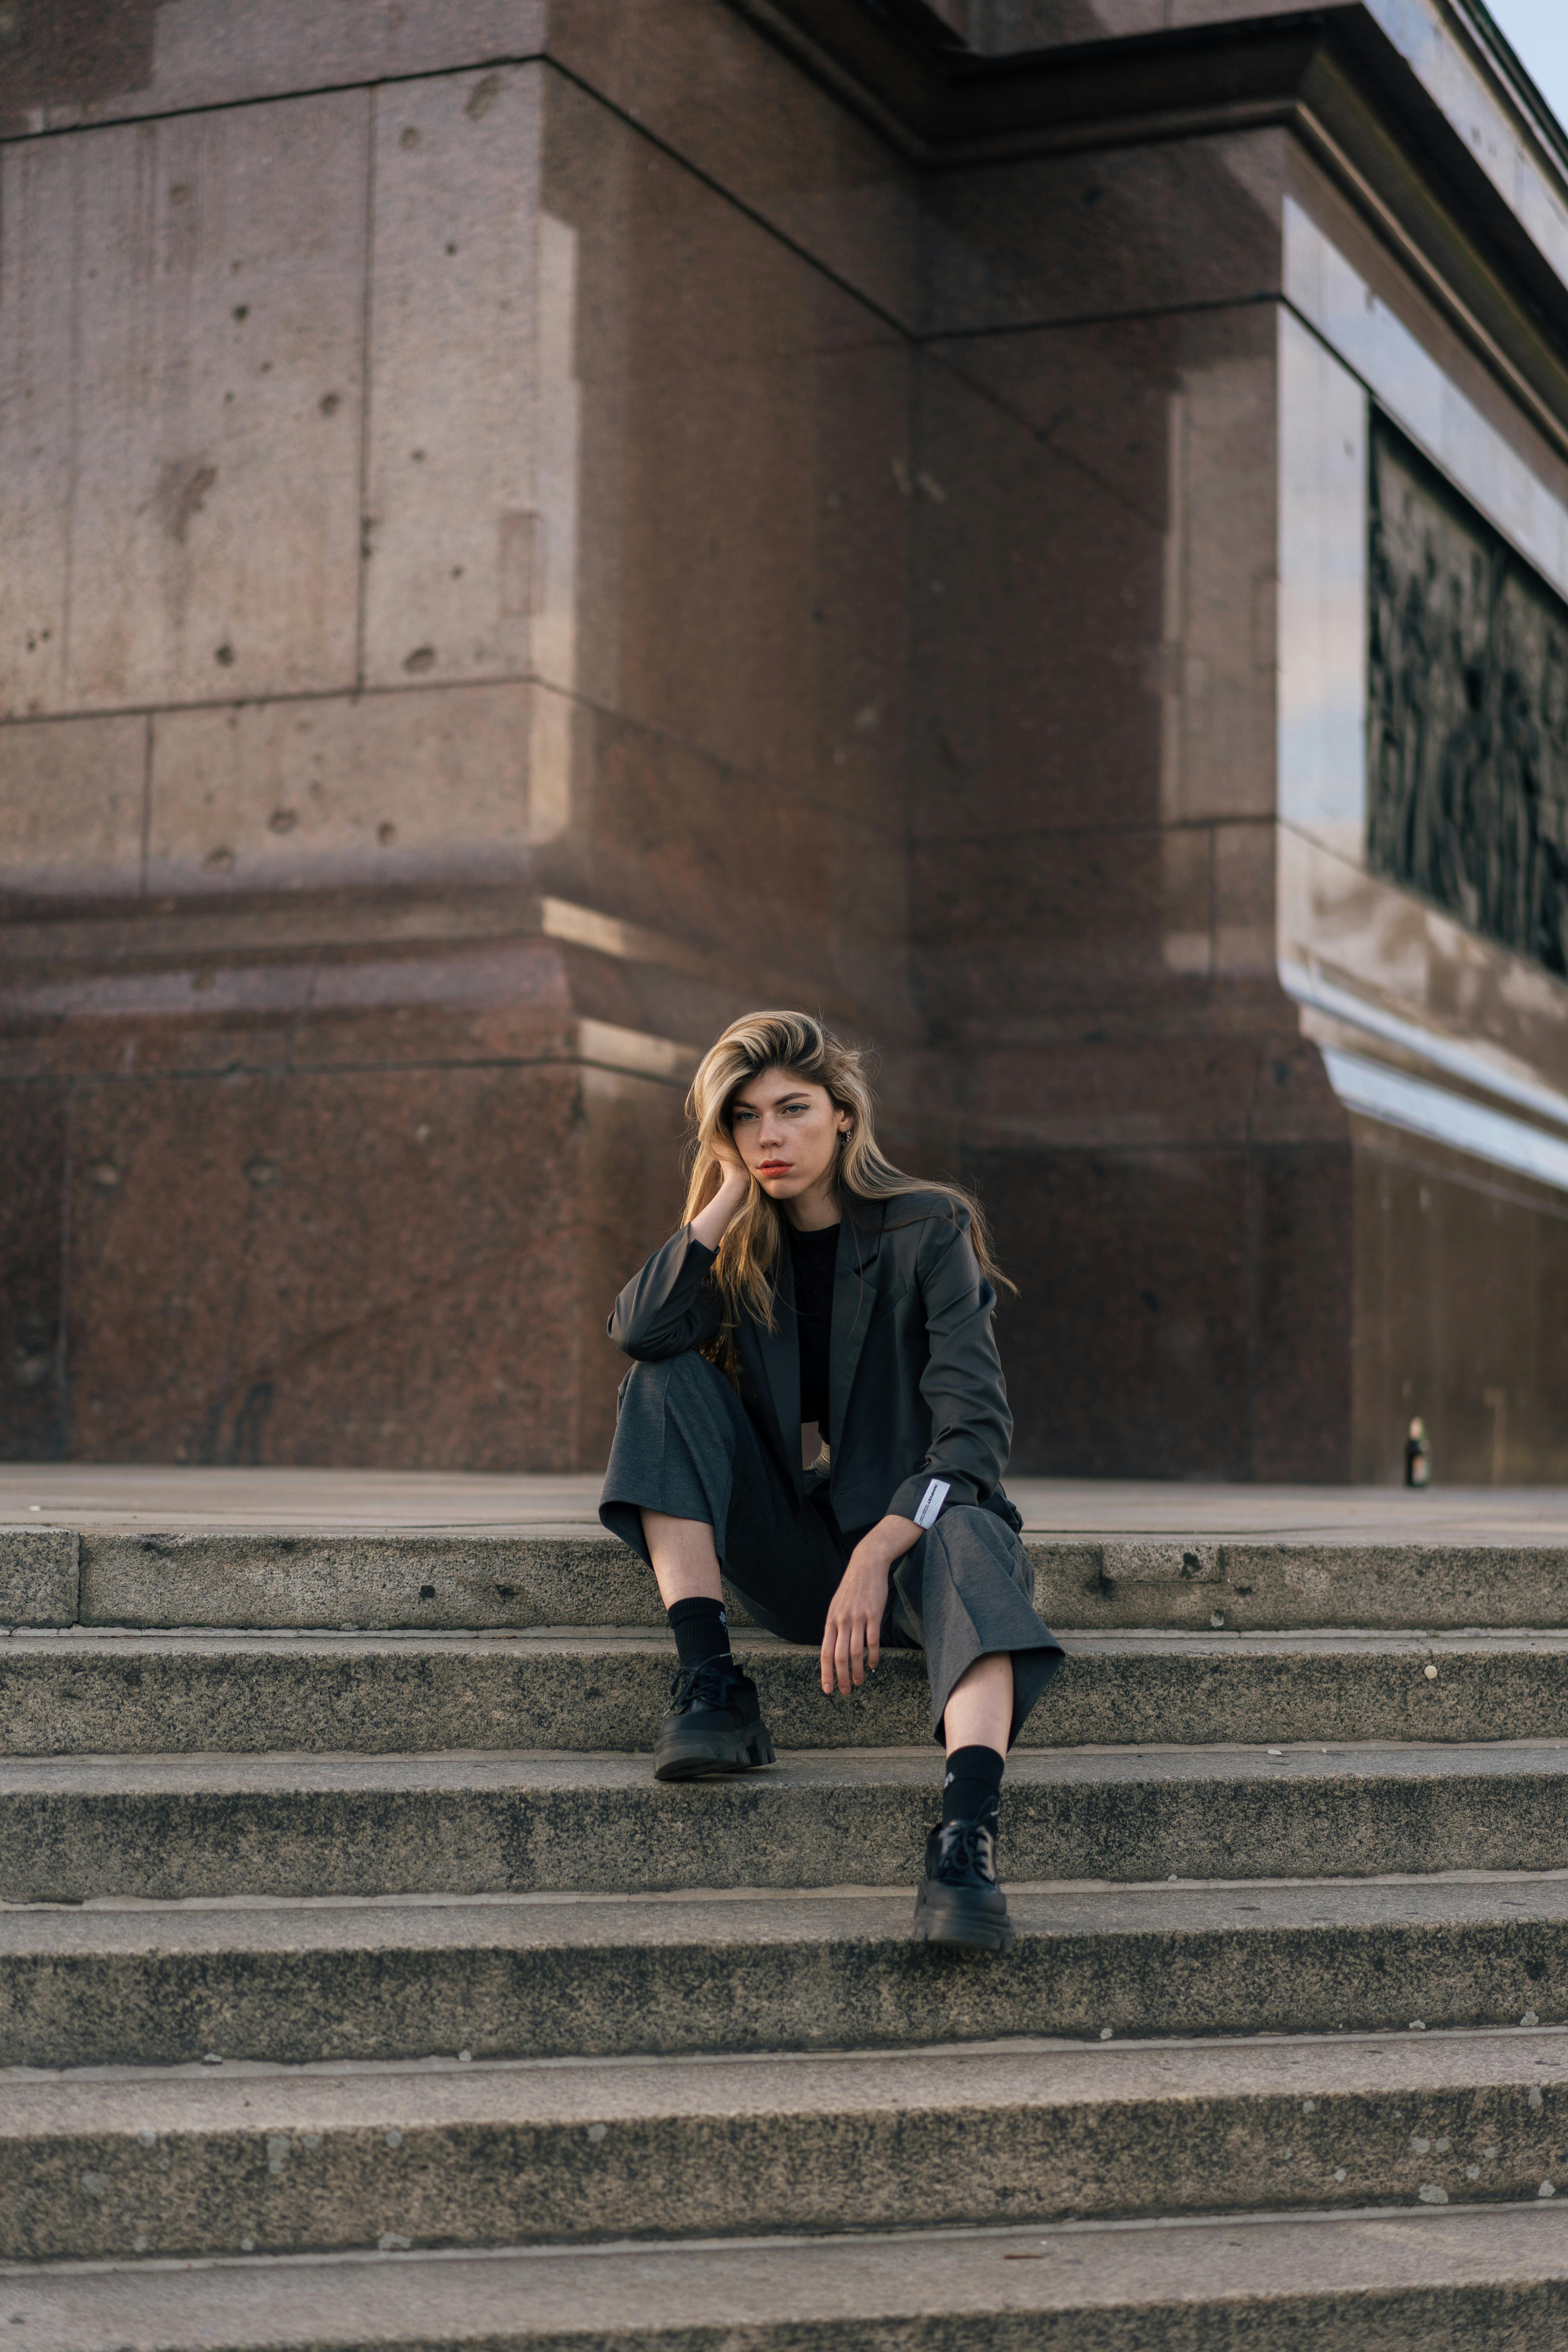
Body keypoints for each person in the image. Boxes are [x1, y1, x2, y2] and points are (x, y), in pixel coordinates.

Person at [599, 1010, 1063, 1953]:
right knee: (661, 1380)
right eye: (744, 1117)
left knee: (970, 1531)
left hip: (921, 1543)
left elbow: (973, 1437)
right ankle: (711, 1682)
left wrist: (881, 1550)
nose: (770, 1136)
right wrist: (724, 1198)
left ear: (844, 1115)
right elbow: (642, 1333)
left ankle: (964, 1838)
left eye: (793, 1110)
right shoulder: (738, 1251)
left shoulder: (929, 1228)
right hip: (802, 1549)